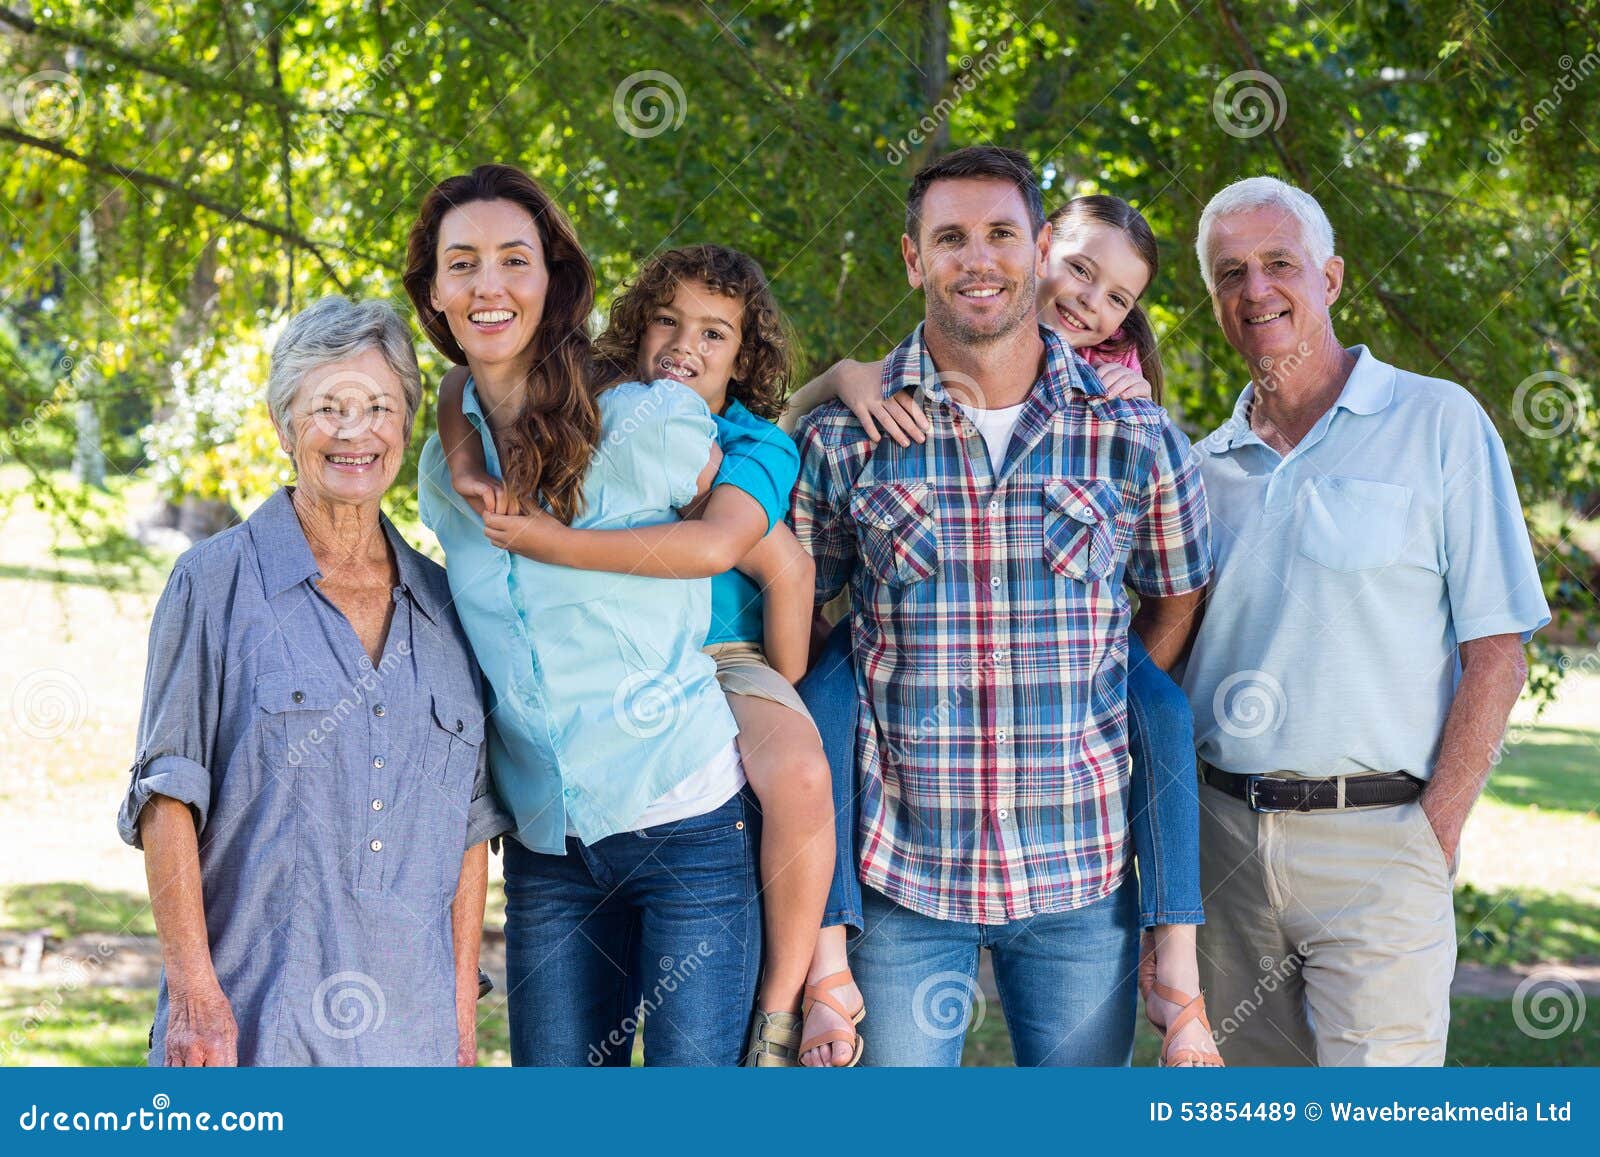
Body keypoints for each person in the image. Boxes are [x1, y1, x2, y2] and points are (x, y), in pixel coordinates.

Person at [789, 145, 1212, 1066]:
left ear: (1038, 245)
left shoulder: (1131, 434)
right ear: (913, 259)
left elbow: (1176, 596)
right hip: (901, 881)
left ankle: (1176, 965)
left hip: (1080, 879)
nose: (976, 259)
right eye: (950, 238)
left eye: (999, 235)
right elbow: (806, 614)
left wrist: (1097, 703)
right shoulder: (845, 438)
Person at [435, 243, 857, 1066]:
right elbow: (460, 379)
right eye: (667, 320)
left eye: (713, 335)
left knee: (800, 774)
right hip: (610, 674)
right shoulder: (594, 395)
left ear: (744, 358)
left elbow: (741, 556)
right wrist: (459, 459)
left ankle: (782, 1005)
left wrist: (777, 682)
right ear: (635, 324)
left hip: (724, 652)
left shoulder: (753, 445)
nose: (683, 346)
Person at [1179, 176, 1550, 1065]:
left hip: (1381, 846)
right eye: (1230, 273)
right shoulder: (1195, 470)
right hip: (1221, 850)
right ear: (1214, 302)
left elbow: (1498, 651)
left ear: (1332, 279)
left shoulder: (1438, 423)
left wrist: (1434, 834)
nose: (1256, 290)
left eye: (1279, 264)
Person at [407, 164, 761, 1066]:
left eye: (514, 260)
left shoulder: (647, 424)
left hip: (684, 817)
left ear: (555, 281)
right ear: (435, 293)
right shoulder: (444, 475)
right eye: (463, 264)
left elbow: (728, 527)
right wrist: (454, 410)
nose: (489, 284)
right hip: (547, 844)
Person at [119, 295, 511, 1066]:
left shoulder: (447, 604)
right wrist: (195, 998)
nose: (354, 430)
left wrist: (461, 1018)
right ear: (283, 422)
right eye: (328, 406)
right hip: (255, 1032)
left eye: (379, 406)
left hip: (416, 1047)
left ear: (405, 426)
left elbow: (469, 832)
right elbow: (165, 797)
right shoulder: (214, 582)